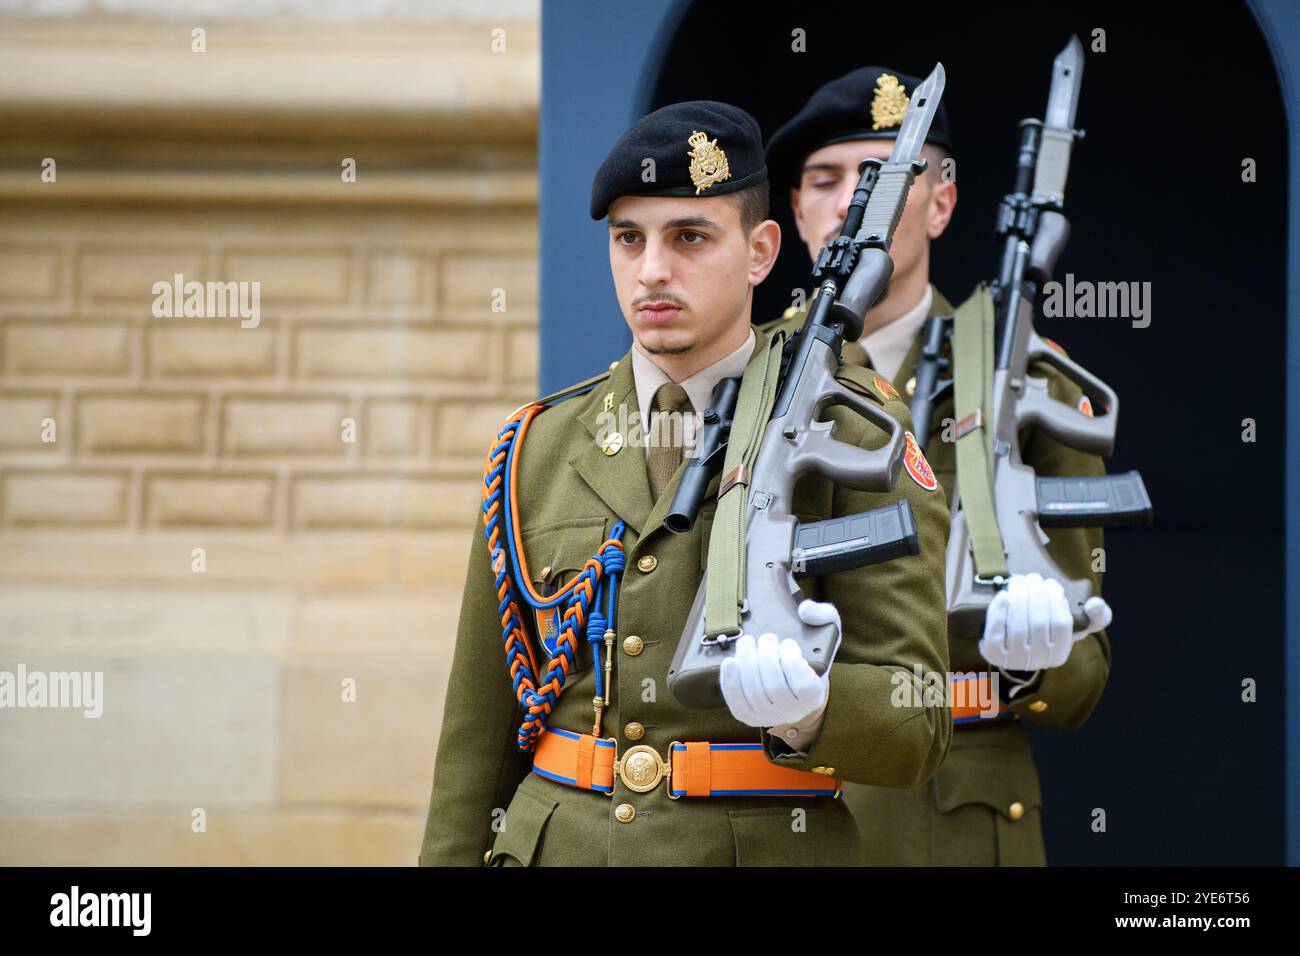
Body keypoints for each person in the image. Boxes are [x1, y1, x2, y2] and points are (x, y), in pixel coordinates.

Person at [419, 100, 952, 866]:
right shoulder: (535, 448)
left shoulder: (854, 434)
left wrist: (814, 711)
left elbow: (919, 722)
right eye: (628, 239)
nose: (653, 270)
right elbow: (477, 738)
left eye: (690, 237)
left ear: (762, 250)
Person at [764, 66, 1113, 866]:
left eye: (884, 174)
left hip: (952, 819)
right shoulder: (743, 379)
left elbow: (1086, 676)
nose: (855, 198)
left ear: (942, 202)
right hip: (774, 806)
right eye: (825, 179)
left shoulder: (1027, 381)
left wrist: (1041, 656)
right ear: (795, 212)